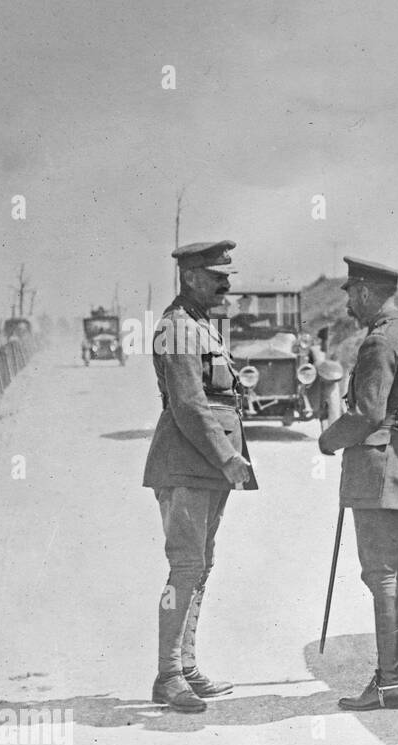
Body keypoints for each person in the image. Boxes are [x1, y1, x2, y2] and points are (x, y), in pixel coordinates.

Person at [319, 257, 398, 711]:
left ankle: (391, 682)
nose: (349, 305)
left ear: (366, 292)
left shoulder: (378, 343)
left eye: (351, 295)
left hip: (377, 475)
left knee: (381, 575)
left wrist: (329, 441)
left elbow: (365, 415)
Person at [143, 240, 255, 714]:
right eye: (216, 276)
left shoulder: (199, 325)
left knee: (200, 566)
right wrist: (227, 455)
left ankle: (185, 668)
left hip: (205, 467)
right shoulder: (176, 328)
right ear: (190, 277)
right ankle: (168, 675)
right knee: (186, 567)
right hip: (187, 464)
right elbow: (189, 404)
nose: (226, 284)